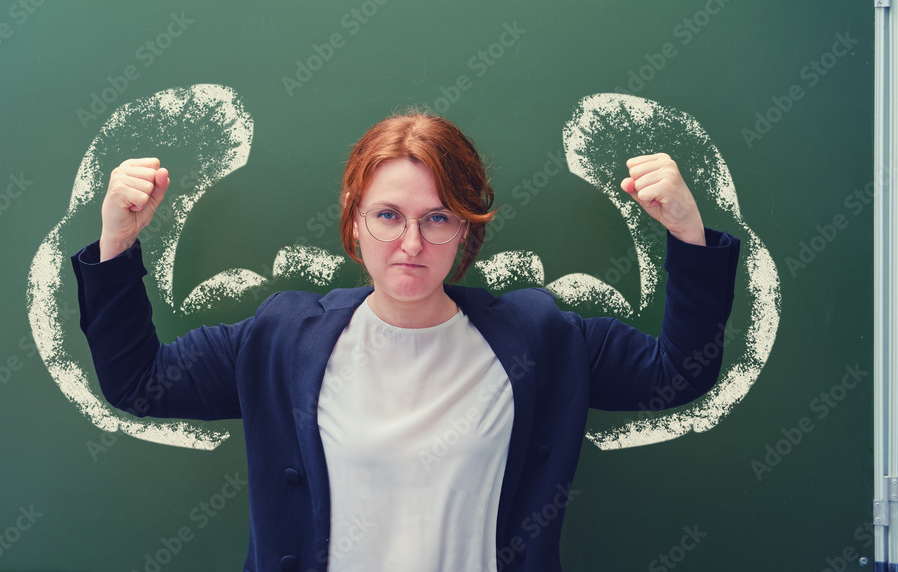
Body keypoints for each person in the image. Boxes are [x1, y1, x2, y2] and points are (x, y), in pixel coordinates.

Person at [73, 111, 740, 572]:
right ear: (355, 222)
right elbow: (138, 382)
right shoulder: (282, 340)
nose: (411, 243)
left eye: (438, 217)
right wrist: (118, 240)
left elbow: (679, 373)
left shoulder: (540, 337)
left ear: (467, 231)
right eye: (388, 215)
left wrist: (686, 230)